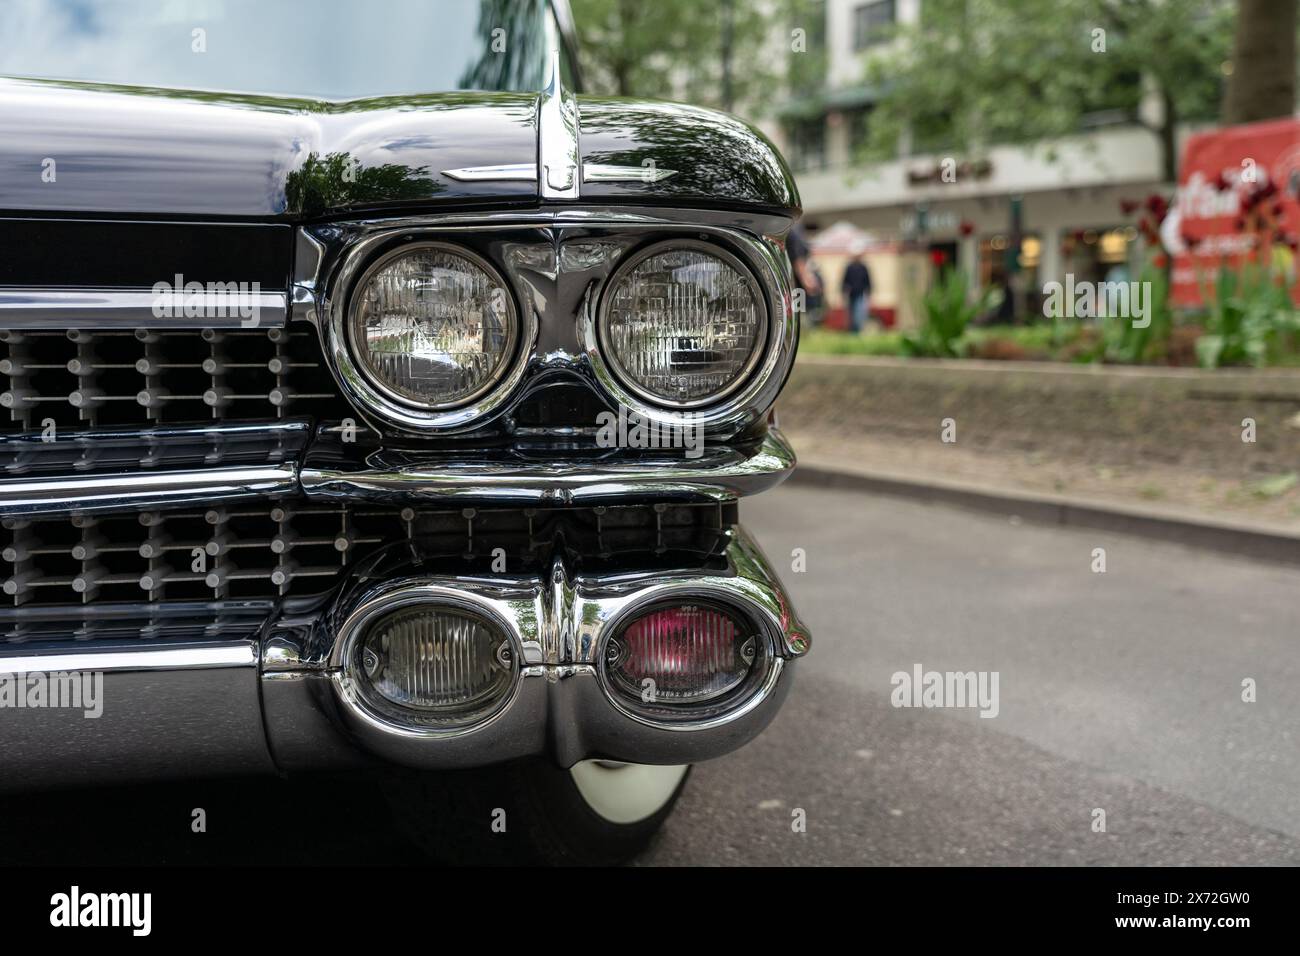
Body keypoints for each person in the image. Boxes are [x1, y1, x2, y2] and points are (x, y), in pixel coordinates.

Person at [787, 222, 822, 326]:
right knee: (799, 306)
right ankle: (800, 326)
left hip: (794, 278)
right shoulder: (796, 235)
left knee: (798, 306)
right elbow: (799, 261)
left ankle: (800, 325)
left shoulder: (794, 232)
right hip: (796, 280)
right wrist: (807, 280)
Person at [841, 250, 872, 332]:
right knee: (852, 314)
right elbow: (844, 281)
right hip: (851, 295)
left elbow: (868, 281)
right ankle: (853, 330)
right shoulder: (849, 267)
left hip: (861, 294)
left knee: (858, 313)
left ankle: (857, 330)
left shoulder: (863, 267)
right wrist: (843, 293)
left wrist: (869, 293)